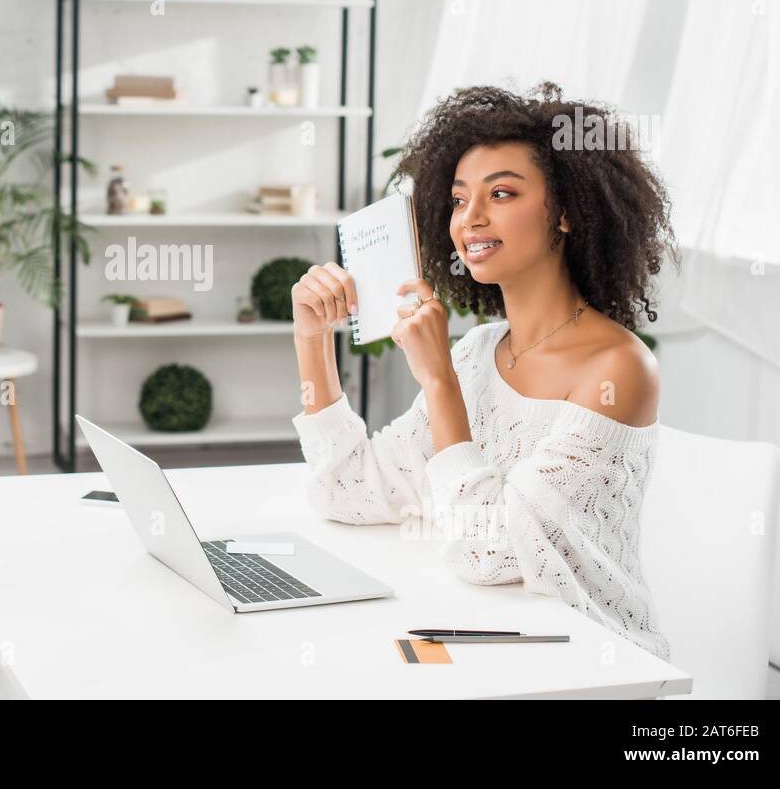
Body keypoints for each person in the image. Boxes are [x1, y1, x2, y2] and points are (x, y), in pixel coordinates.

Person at [291, 82, 679, 661]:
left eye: (501, 193)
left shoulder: (619, 368)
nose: (470, 218)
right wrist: (312, 338)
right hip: (491, 643)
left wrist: (439, 381)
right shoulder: (480, 352)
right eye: (457, 198)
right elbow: (347, 489)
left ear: (569, 212)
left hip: (591, 662)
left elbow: (488, 551)